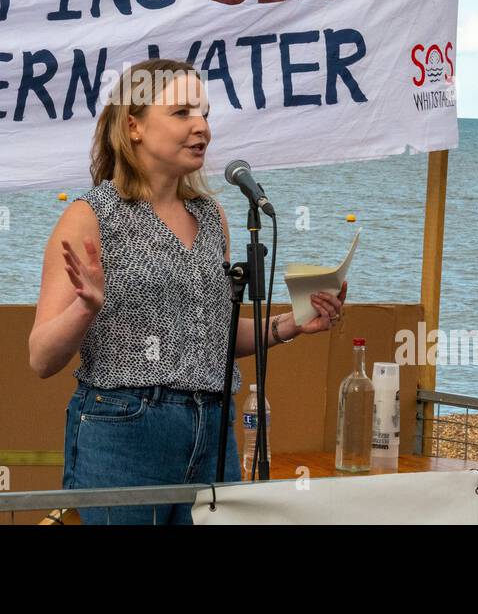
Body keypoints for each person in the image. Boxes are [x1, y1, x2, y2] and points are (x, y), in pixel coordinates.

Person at [28, 58, 347, 524]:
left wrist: (290, 324)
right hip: (125, 430)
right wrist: (85, 308)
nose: (202, 128)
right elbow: (41, 357)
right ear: (133, 126)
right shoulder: (91, 215)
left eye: (205, 115)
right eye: (182, 114)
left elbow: (210, 338)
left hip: (214, 430)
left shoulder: (209, 215)